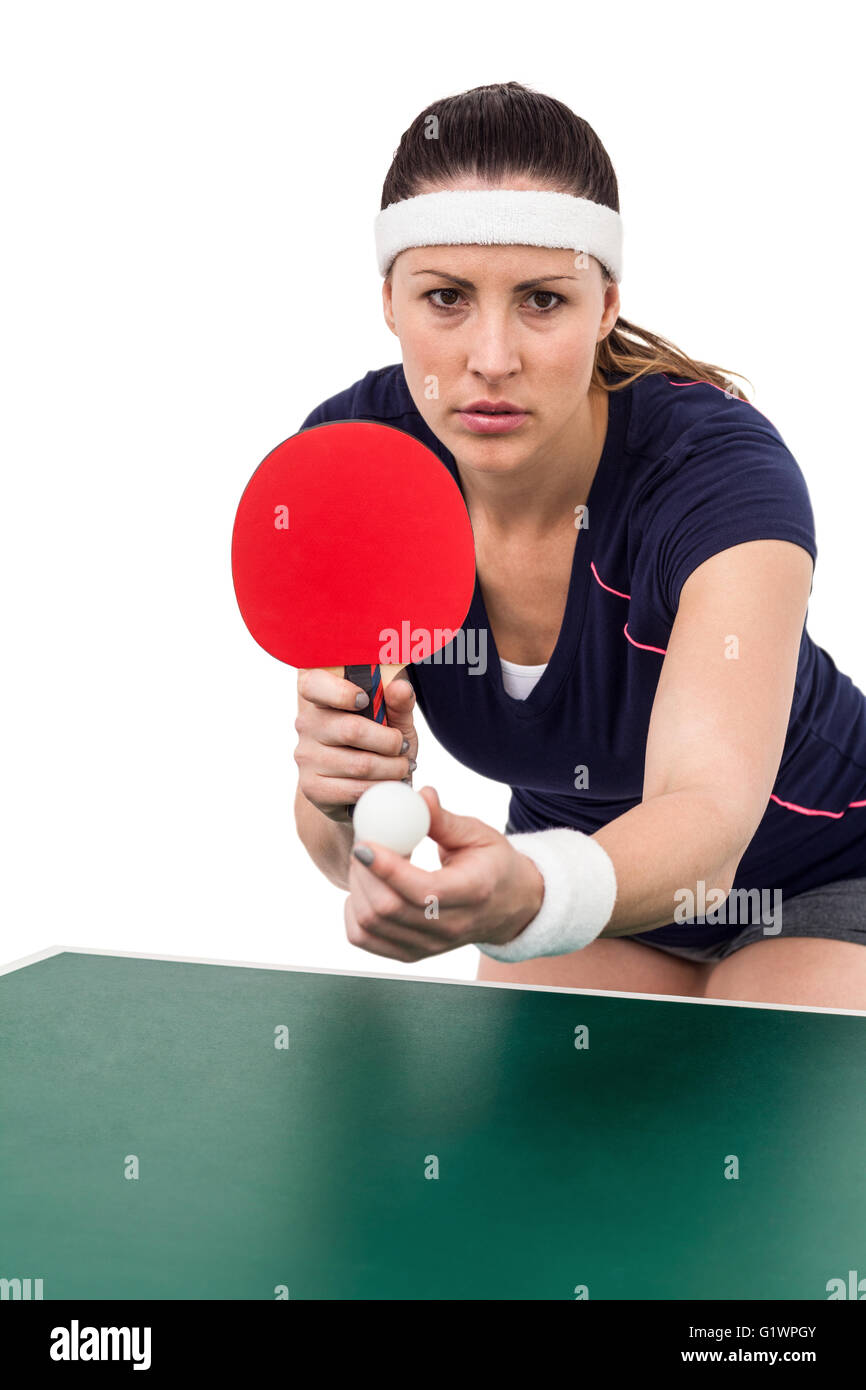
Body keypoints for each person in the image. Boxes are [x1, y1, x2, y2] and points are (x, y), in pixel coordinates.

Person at [293, 82, 866, 1008]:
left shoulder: (720, 474)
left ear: (603, 308)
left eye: (542, 300)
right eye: (444, 297)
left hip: (827, 869)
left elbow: (710, 822)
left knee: (752, 1108)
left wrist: (531, 892)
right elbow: (337, 835)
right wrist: (339, 809)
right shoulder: (354, 469)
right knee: (555, 1142)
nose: (491, 357)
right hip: (590, 883)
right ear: (388, 303)